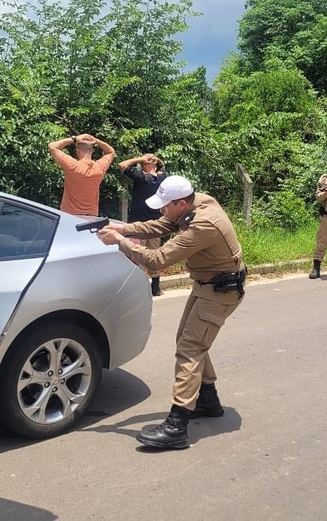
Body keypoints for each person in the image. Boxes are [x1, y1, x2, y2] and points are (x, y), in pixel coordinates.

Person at [96, 175, 245, 450]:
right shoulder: (194, 203)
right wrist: (123, 227)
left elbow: (158, 259)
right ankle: (208, 400)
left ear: (179, 202)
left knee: (190, 348)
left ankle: (177, 427)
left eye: (165, 205)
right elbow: (160, 225)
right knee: (190, 342)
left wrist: (119, 240)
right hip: (208, 286)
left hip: (220, 291)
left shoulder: (203, 223)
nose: (161, 209)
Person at [119, 152, 168, 296]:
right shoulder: (141, 177)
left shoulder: (160, 177)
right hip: (140, 224)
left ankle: (155, 287)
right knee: (137, 255)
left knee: (152, 254)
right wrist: (142, 159)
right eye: (149, 160)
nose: (152, 161)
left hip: (154, 224)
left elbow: (162, 165)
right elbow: (122, 165)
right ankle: (142, 286)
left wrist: (151, 158)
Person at [48, 133, 115, 216]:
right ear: (92, 151)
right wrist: (95, 140)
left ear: (77, 151)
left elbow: (52, 146)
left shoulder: (72, 166)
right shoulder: (99, 168)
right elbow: (111, 152)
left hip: (70, 215)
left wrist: (74, 138)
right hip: (91, 217)